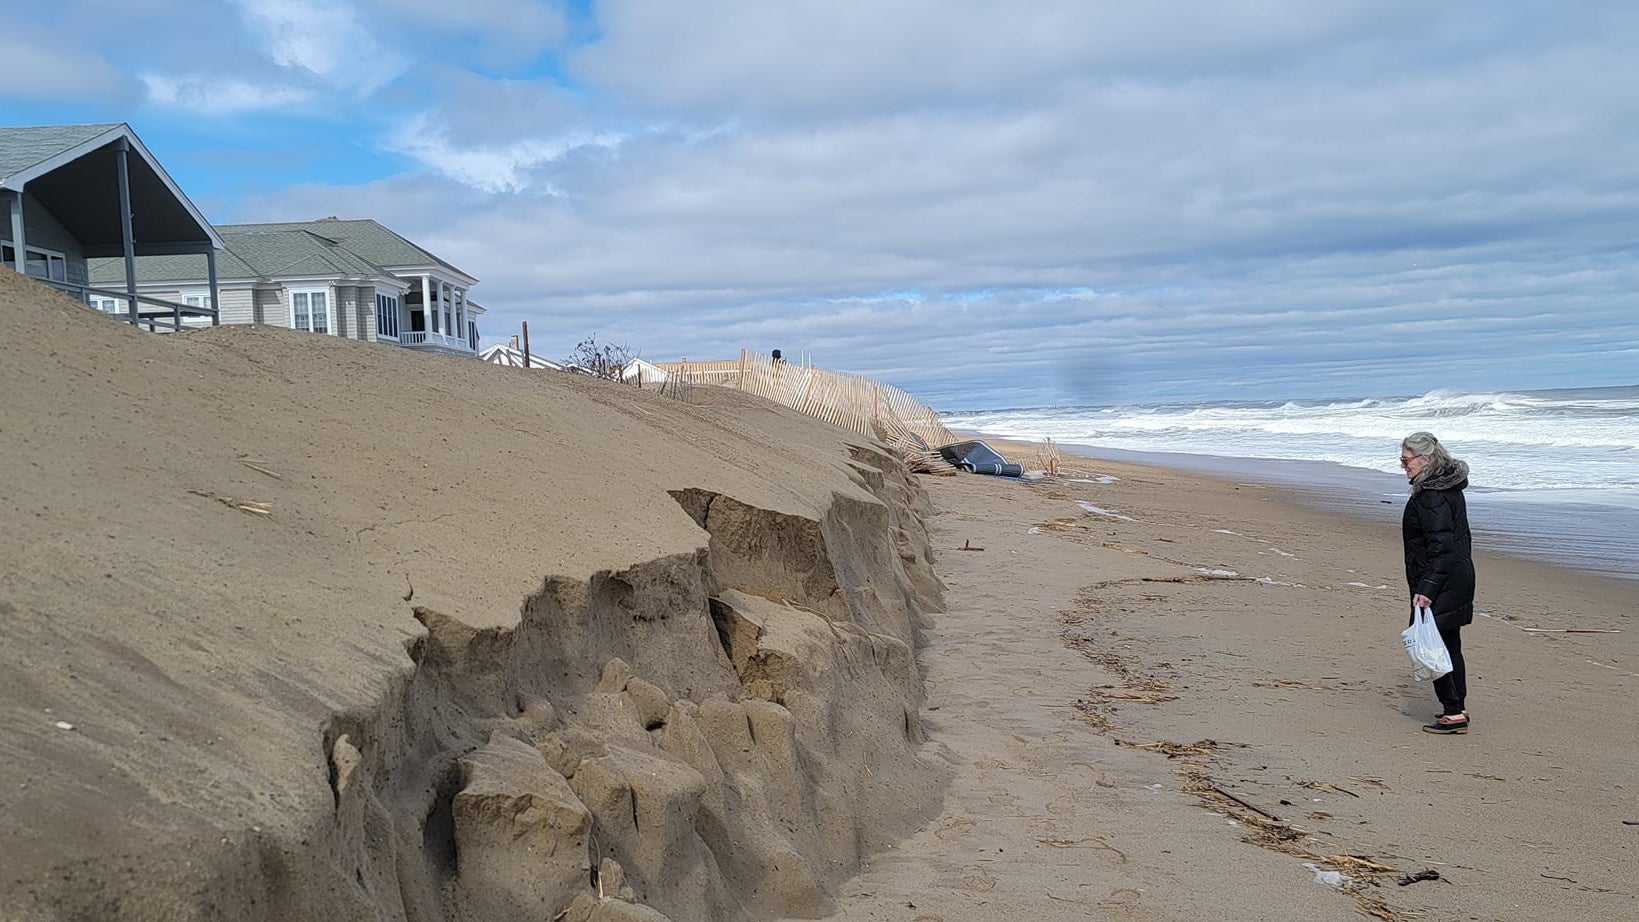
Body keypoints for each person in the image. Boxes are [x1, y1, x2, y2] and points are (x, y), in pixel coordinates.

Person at [1399, 431, 1476, 734]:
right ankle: (1458, 706)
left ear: (1425, 459)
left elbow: (1441, 547)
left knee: (1432, 646)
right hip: (1456, 576)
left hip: (1441, 580)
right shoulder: (1446, 486)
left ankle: (1453, 712)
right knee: (1449, 643)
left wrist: (1426, 589)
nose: (1403, 466)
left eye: (1406, 460)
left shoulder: (1431, 494)